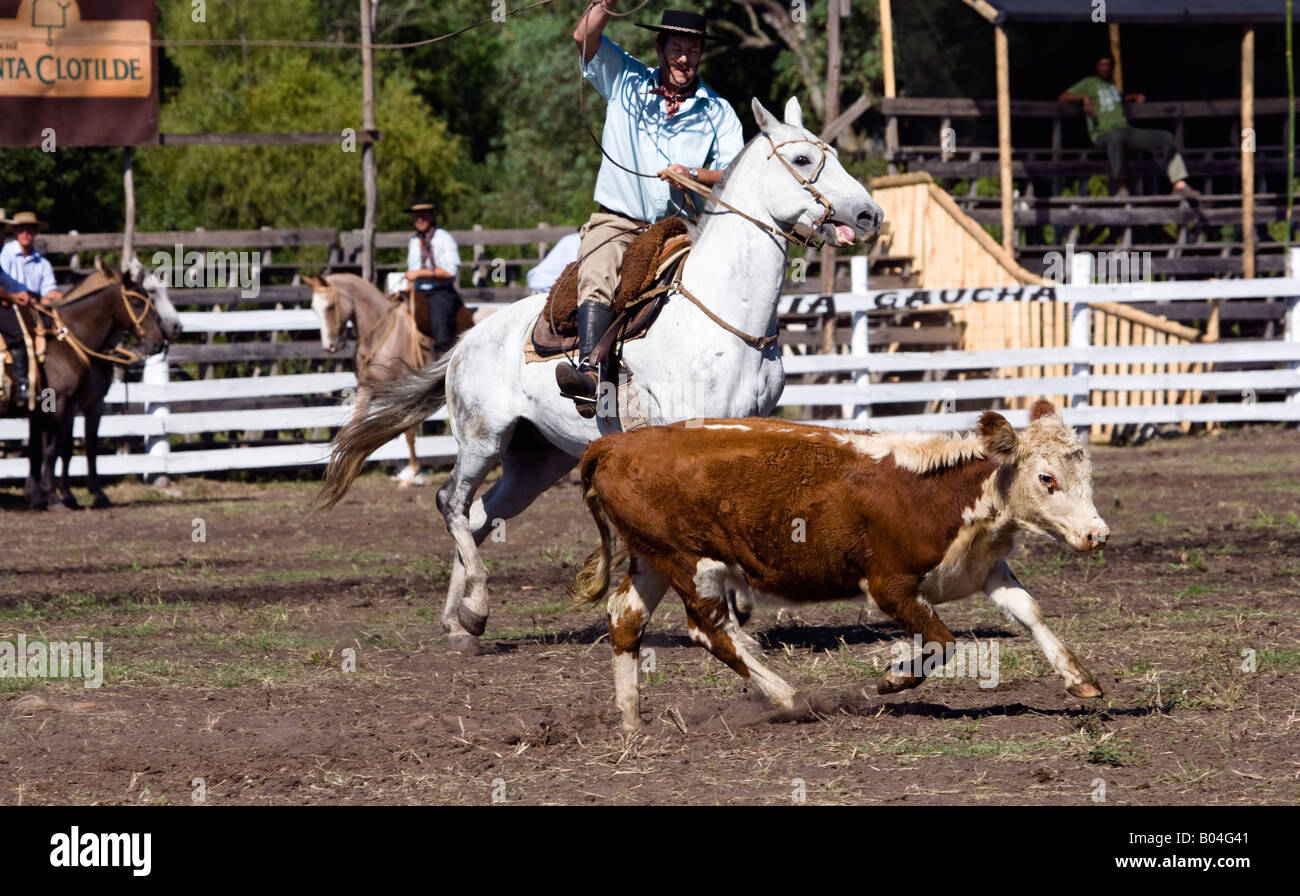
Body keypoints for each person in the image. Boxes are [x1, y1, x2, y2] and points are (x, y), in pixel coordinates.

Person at [557, 5, 745, 411]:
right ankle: (590, 370)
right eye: (677, 48)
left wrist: (694, 175)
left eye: (693, 51)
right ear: (659, 48)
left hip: (679, 228)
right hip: (618, 220)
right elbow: (582, 38)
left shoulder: (718, 111)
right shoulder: (624, 77)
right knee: (598, 267)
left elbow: (735, 172)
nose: (684, 59)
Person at [1059, 56, 1199, 198]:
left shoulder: (1113, 86)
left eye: (1108, 65)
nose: (1106, 68)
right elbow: (1064, 96)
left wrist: (1132, 97)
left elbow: (1117, 100)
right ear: (1096, 66)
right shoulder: (1089, 83)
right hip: (1102, 135)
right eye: (1102, 65)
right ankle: (1121, 185)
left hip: (1125, 131)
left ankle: (1179, 184)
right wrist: (1083, 97)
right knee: (1116, 137)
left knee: (1166, 137)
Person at [403, 197, 462, 354]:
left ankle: (441, 366)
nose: (420, 219)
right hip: (418, 291)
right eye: (416, 216)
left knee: (440, 327)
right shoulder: (414, 241)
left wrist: (419, 273)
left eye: (424, 215)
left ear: (432, 215)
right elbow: (412, 269)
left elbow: (450, 271)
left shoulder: (444, 238)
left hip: (440, 291)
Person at [0, 211, 63, 304]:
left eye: (29, 230)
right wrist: (13, 296)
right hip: (7, 305)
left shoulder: (43, 263)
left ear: (35, 232)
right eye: (21, 230)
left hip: (32, 306)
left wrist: (55, 295)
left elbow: (48, 288)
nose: (25, 234)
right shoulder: (4, 254)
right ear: (15, 231)